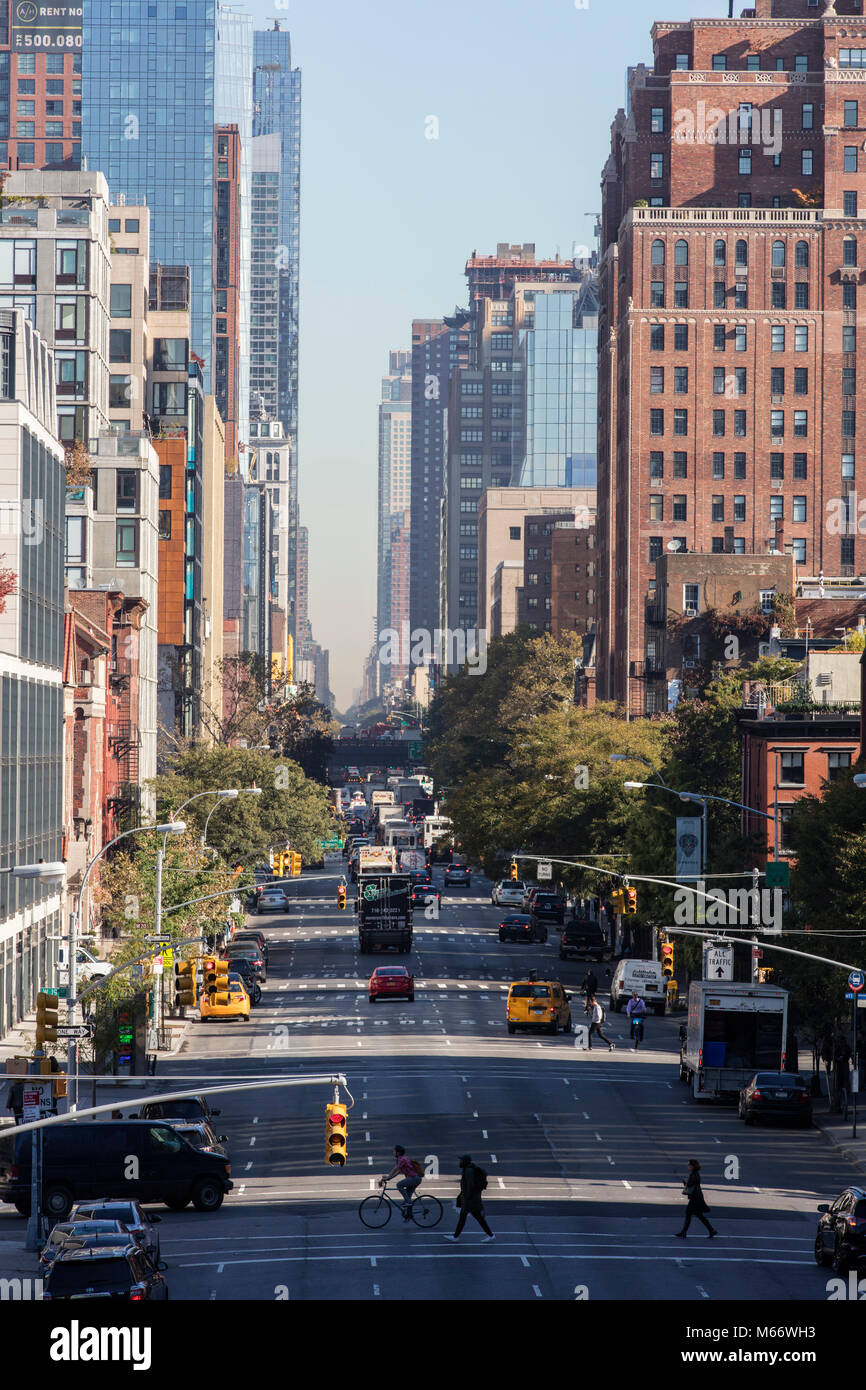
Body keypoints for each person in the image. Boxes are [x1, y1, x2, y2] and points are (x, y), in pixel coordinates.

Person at [443, 1154, 494, 1242]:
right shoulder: (468, 1169)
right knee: (469, 1218)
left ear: (465, 1162)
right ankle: (456, 1236)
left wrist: (466, 1198)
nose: (459, 1162)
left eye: (461, 1161)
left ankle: (456, 1237)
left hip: (470, 1200)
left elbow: (470, 1186)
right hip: (471, 1199)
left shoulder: (468, 1171)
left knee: (473, 1217)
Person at [675, 1159, 717, 1239]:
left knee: (691, 1213)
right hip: (696, 1197)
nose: (688, 1166)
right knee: (697, 1215)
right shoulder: (694, 1174)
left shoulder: (695, 1174)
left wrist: (685, 1181)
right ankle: (711, 1230)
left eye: (689, 1165)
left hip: (696, 1198)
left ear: (692, 1166)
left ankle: (684, 1232)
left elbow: (690, 1184)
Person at [381, 1145, 422, 1217]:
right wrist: (388, 1178)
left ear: (398, 1153)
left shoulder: (402, 1159)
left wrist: (387, 1177)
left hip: (414, 1178)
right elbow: (398, 1172)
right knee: (408, 1197)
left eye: (394, 1151)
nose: (393, 1152)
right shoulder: (401, 1159)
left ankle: (408, 1202)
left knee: (399, 1185)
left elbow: (395, 1169)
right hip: (415, 1179)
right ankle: (409, 1215)